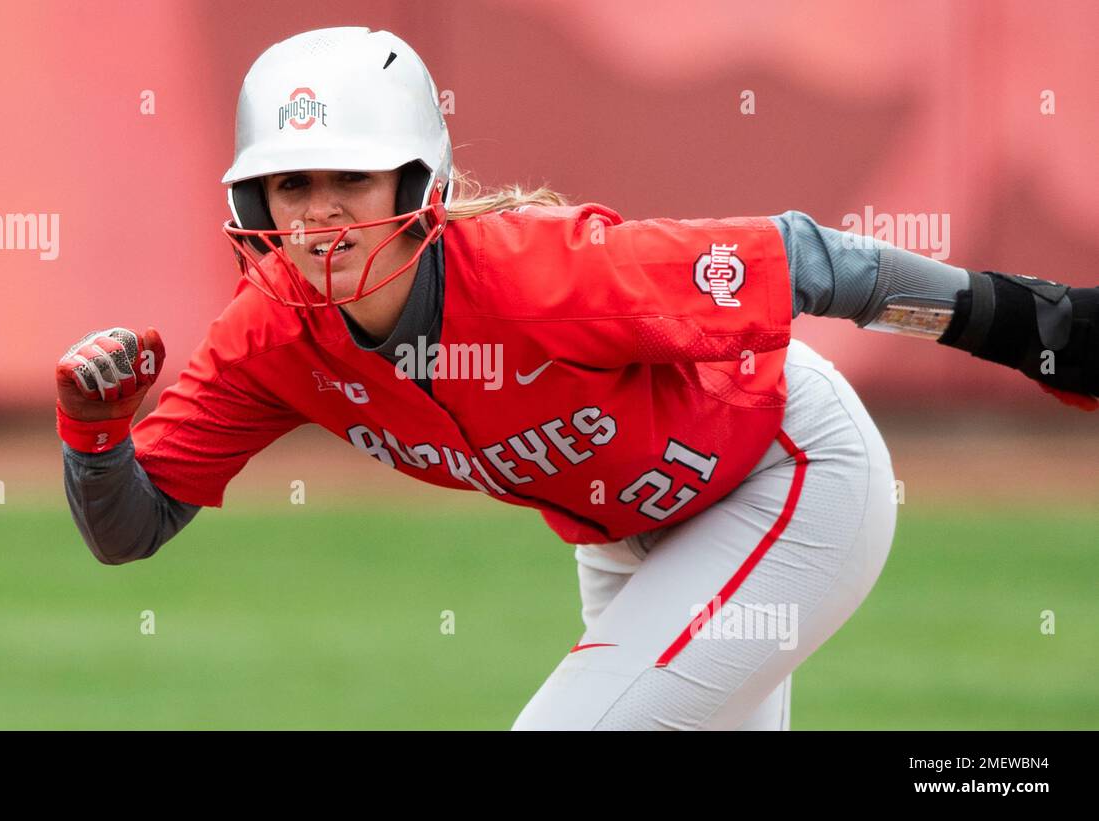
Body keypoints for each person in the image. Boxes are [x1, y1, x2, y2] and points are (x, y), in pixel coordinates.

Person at [55, 27, 1098, 730]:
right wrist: (93, 439)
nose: (320, 210)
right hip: (626, 531)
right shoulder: (269, 336)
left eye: (349, 176)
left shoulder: (543, 271)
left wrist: (1031, 323)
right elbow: (130, 527)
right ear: (256, 203)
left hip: (781, 472)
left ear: (421, 185)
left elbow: (810, 258)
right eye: (291, 183)